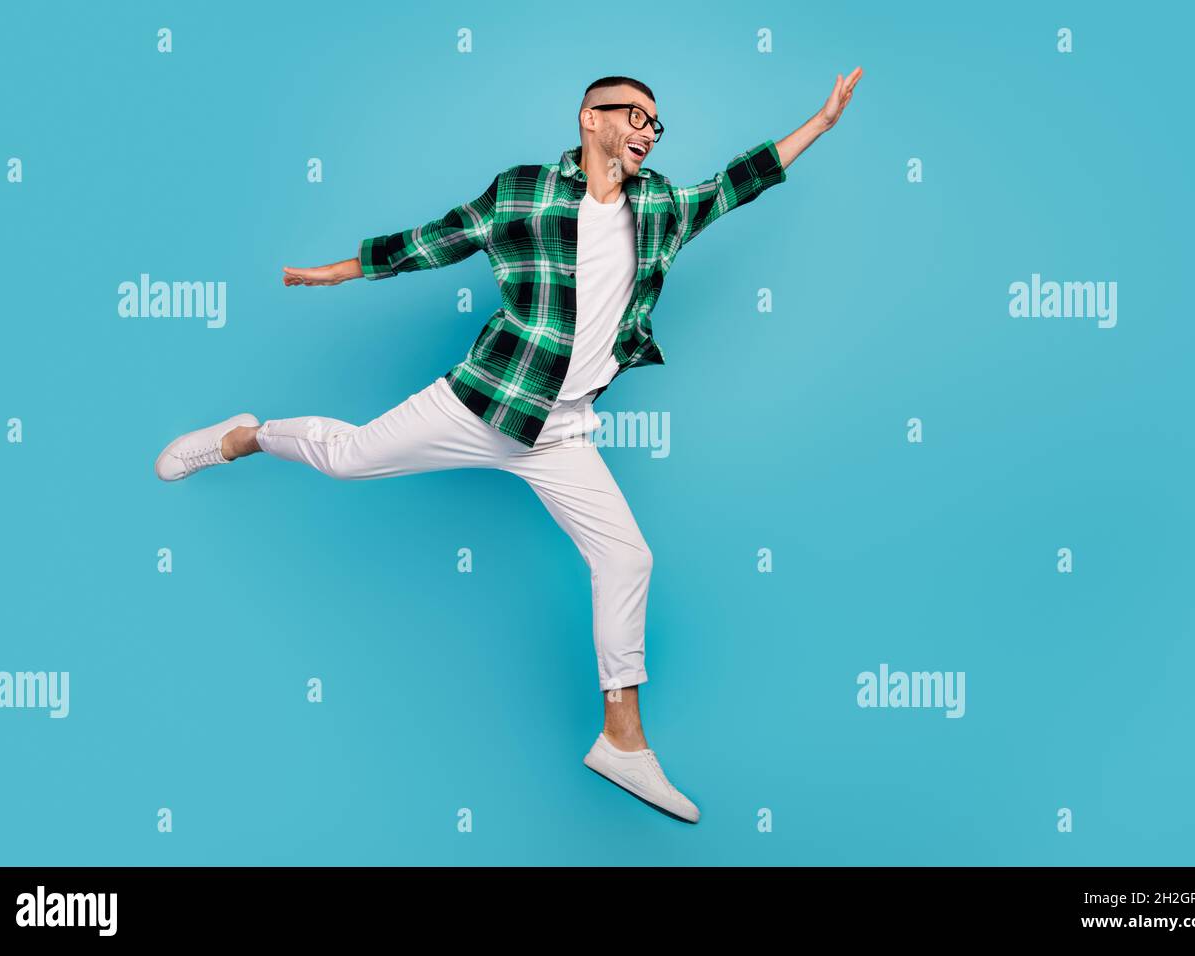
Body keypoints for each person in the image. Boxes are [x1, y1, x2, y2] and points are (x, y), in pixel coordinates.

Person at [154, 69, 863, 823]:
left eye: (659, 125)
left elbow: (734, 185)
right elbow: (440, 238)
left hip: (562, 432)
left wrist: (817, 124)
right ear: (593, 118)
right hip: (485, 401)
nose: (650, 133)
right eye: (638, 118)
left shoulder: (658, 206)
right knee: (350, 457)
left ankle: (622, 741)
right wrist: (344, 269)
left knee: (628, 557)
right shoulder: (525, 192)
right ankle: (243, 435)